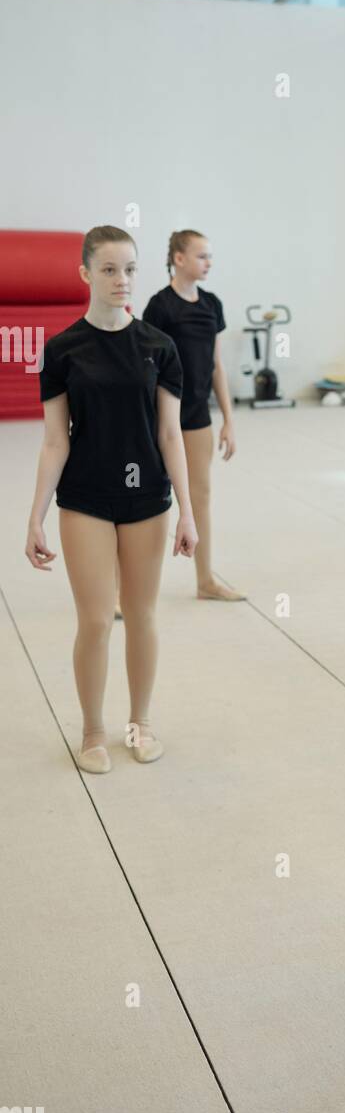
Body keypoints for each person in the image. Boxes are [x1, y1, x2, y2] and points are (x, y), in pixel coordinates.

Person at [26, 226, 198, 773]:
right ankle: (93, 731)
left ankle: (139, 724)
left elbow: (171, 435)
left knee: (143, 616)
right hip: (85, 498)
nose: (121, 280)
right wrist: (35, 517)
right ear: (85, 274)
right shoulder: (62, 350)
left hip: (148, 498)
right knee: (97, 620)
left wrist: (188, 512)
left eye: (128, 269)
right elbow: (55, 439)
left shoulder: (159, 347)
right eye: (108, 270)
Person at [142, 230, 244, 601]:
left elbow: (216, 364)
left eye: (210, 256)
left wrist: (229, 420)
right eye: (202, 256)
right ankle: (130, 589)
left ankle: (205, 581)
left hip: (198, 415)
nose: (209, 263)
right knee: (150, 499)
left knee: (199, 497)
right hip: (160, 417)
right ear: (179, 259)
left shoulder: (211, 304)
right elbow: (148, 366)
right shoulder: (160, 306)